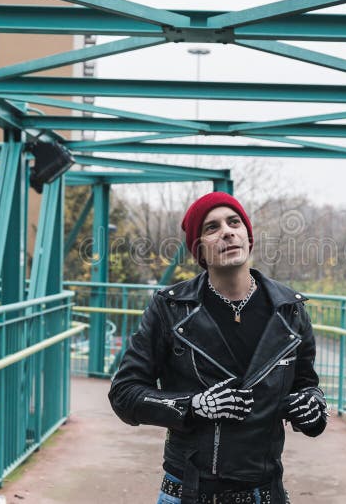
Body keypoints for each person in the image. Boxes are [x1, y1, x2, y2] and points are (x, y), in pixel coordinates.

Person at [109, 192, 327, 504]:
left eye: (234, 222)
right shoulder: (170, 308)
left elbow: (306, 385)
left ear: (247, 237)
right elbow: (125, 393)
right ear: (199, 249)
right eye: (212, 227)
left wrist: (313, 407)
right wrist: (194, 404)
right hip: (189, 491)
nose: (227, 231)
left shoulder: (289, 310)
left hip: (264, 492)